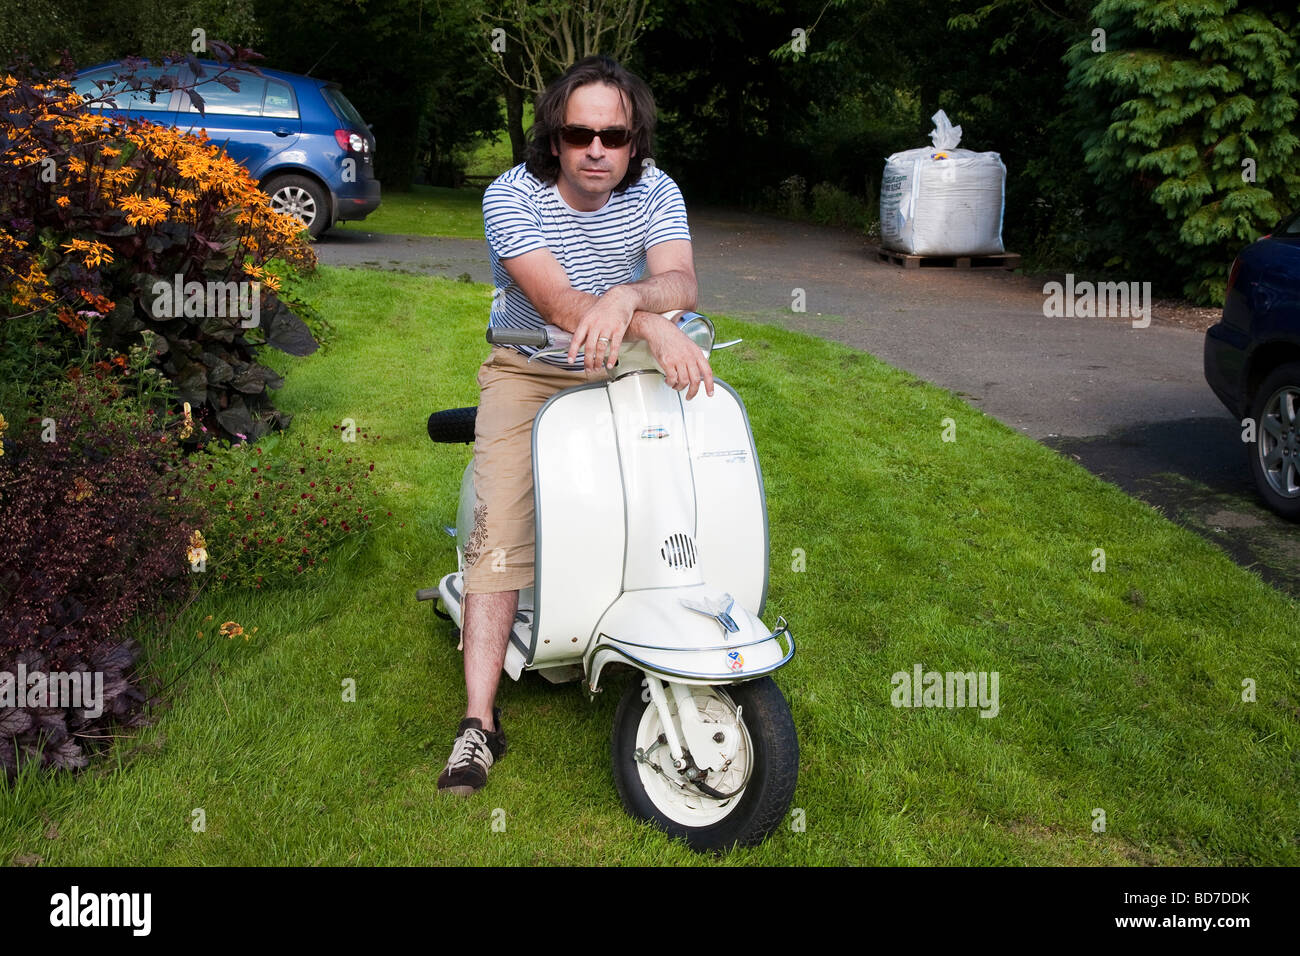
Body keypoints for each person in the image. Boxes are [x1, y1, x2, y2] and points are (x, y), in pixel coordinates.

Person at [437, 55, 714, 795]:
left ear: (634, 141)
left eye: (614, 135)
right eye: (580, 132)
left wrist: (630, 298)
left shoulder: (657, 190)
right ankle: (478, 722)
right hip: (533, 366)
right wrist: (656, 325)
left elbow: (681, 280)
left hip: (631, 365)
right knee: (500, 527)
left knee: (694, 485)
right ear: (555, 139)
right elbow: (563, 309)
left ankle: (671, 615)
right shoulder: (511, 196)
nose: (598, 149)